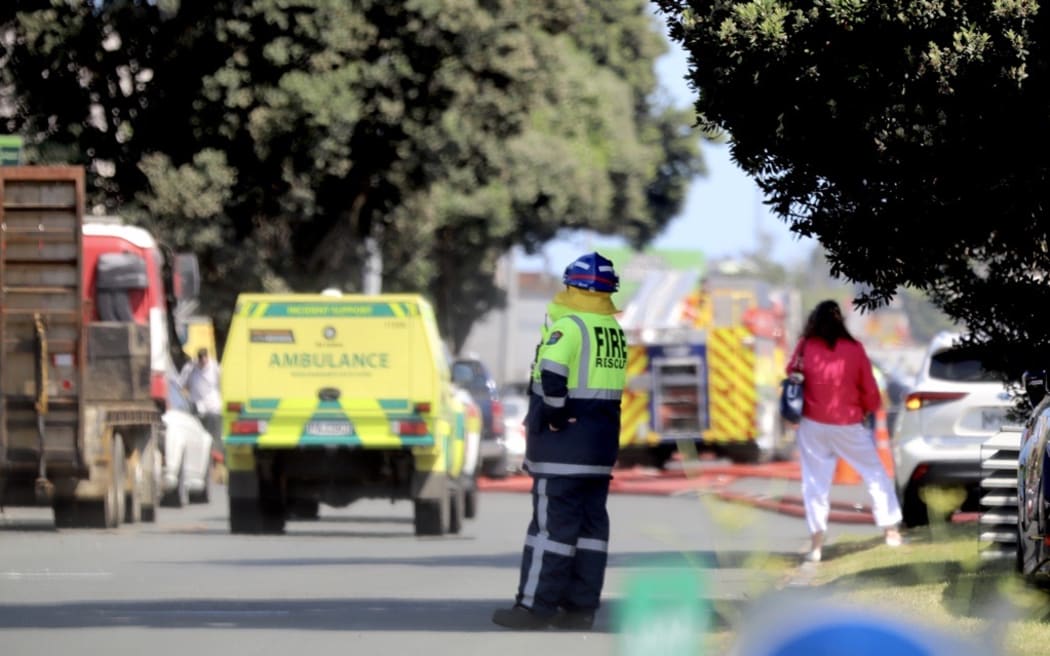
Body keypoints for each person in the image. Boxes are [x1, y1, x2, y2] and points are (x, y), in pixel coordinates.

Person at [491, 252, 628, 631]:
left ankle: (534, 608)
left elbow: (551, 372)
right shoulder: (613, 330)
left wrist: (553, 414)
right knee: (590, 530)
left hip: (564, 447)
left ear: (574, 287)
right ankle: (579, 609)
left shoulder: (570, 326)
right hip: (599, 449)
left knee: (551, 530)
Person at [787, 300, 903, 563]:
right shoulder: (854, 348)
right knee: (875, 473)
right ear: (841, 322)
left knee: (815, 483)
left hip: (812, 424)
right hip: (848, 423)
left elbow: (792, 374)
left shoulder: (806, 346)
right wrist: (870, 410)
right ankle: (890, 531)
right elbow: (869, 387)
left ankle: (816, 544)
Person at [180, 348, 223, 456]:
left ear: (207, 357)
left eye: (205, 357)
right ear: (198, 358)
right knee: (199, 436)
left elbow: (221, 384)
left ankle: (216, 457)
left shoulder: (214, 367)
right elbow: (182, 384)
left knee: (214, 436)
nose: (203, 361)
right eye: (200, 358)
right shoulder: (191, 368)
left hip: (213, 408)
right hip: (197, 408)